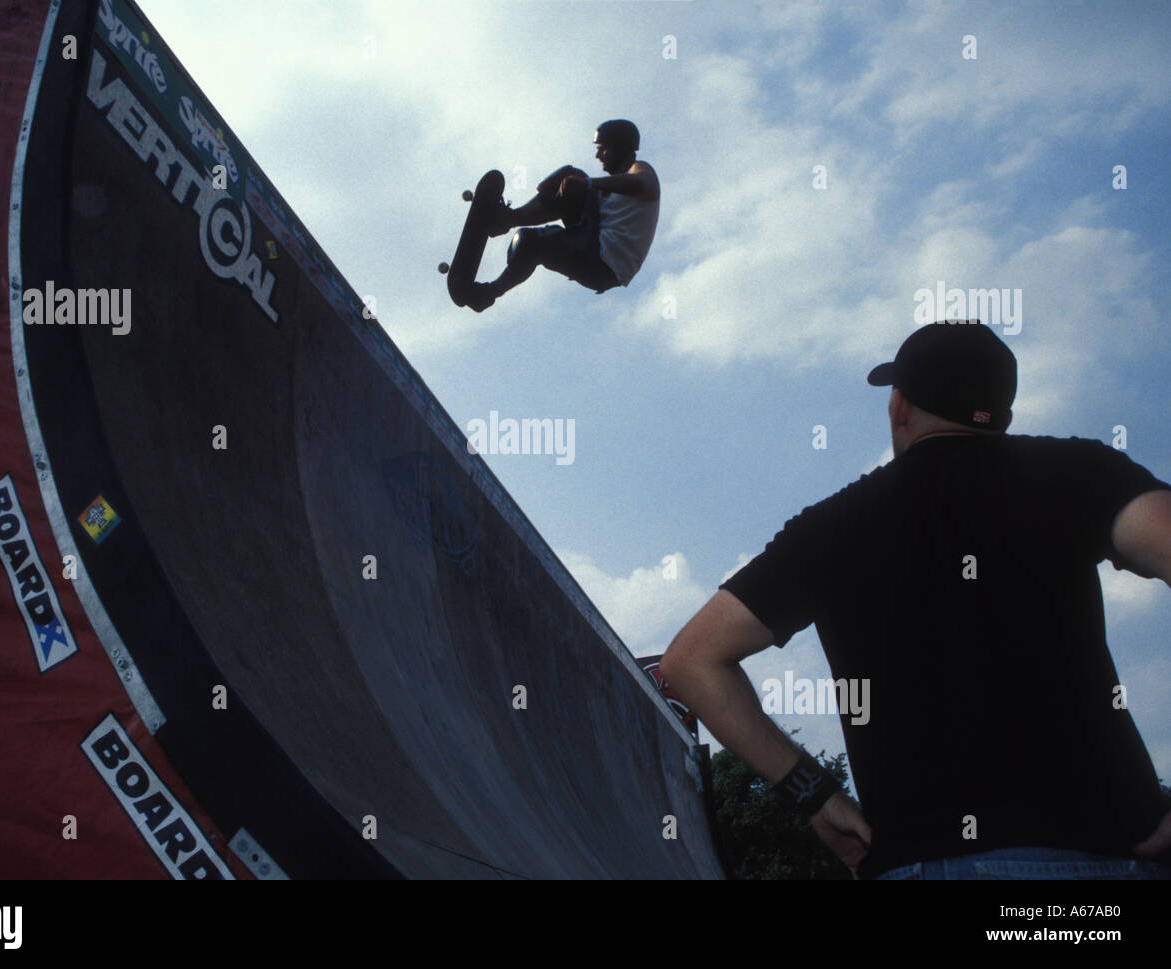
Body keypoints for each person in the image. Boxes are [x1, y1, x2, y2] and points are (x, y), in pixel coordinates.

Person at [660, 320, 1171, 880]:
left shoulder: (835, 525)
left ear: (899, 407)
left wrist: (816, 796)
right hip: (1109, 863)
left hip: (922, 863)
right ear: (1002, 414)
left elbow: (690, 662)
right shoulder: (1084, 472)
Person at [462, 119, 660, 312]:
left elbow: (645, 185)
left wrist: (588, 184)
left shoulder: (640, 170)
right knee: (570, 178)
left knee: (530, 242)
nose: (598, 156)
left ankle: (488, 293)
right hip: (593, 243)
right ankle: (507, 219)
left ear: (619, 147)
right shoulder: (610, 192)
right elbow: (559, 192)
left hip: (602, 263)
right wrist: (555, 188)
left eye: (603, 149)